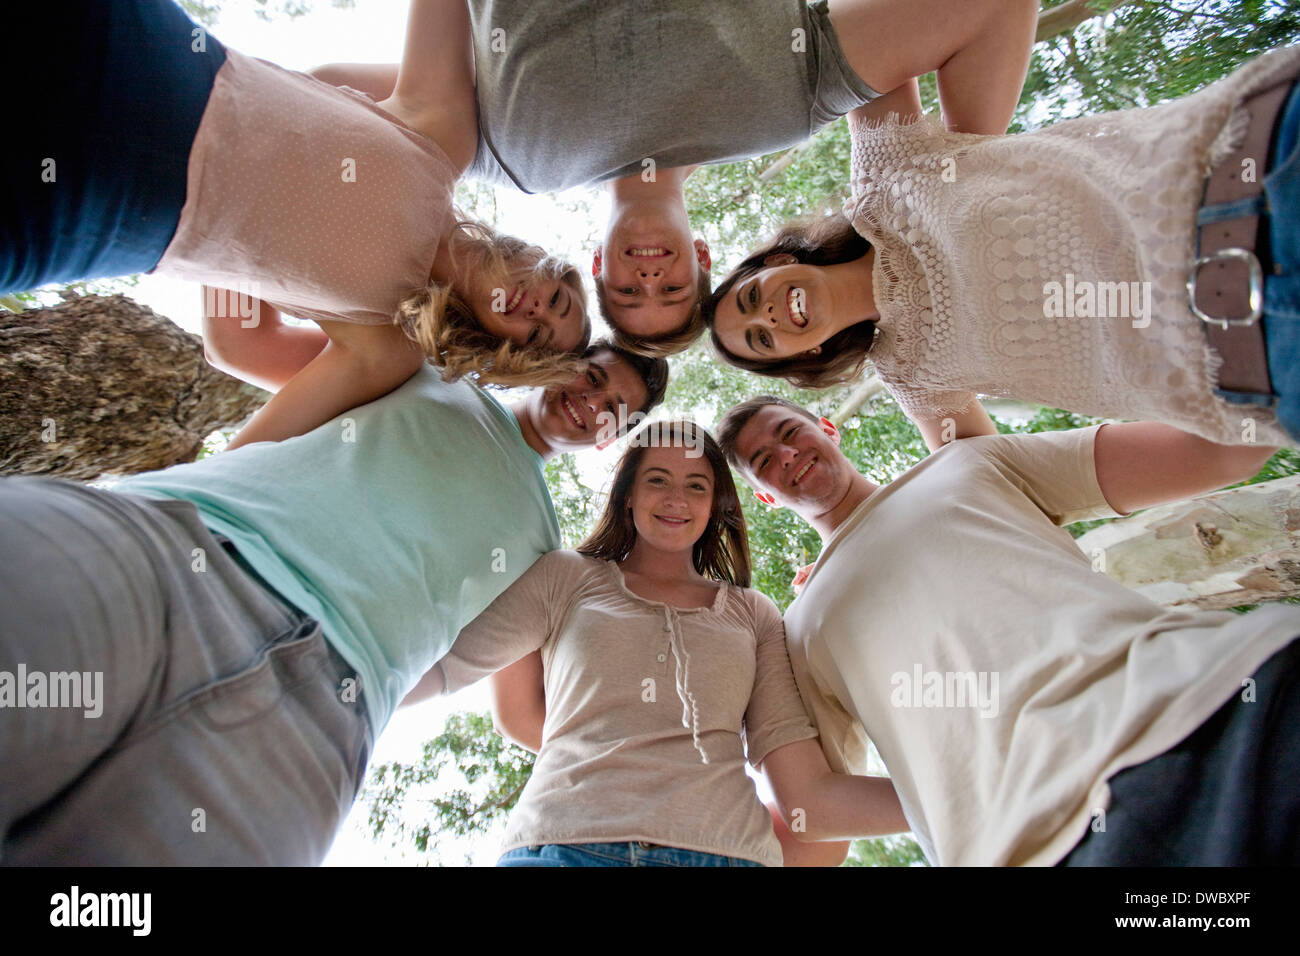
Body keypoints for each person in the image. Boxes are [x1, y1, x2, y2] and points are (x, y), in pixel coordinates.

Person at [0, 339, 667, 865]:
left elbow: (473, 681)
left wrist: (355, 699)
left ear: (611, 440)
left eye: (613, 407)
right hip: (183, 550)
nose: (591, 399)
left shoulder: (543, 548)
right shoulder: (432, 371)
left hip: (310, 718)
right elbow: (240, 338)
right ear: (565, 361)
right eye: (594, 375)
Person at [718, 395, 1300, 865]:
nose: (785, 455)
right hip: (1046, 844)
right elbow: (812, 810)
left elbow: (1214, 449)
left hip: (1222, 699)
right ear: (765, 496)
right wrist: (954, 801)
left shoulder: (968, 462)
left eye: (787, 432)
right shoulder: (794, 632)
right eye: (763, 462)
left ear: (826, 427)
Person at [313, 0, 1039, 353]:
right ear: (701, 261)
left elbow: (339, 98)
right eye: (670, 287)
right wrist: (955, 201)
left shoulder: (509, 160)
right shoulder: (794, 104)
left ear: (596, 263)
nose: (648, 274)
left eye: (628, 290)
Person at [706, 43, 1300, 450]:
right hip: (1270, 355)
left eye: (752, 297)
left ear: (778, 262)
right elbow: (994, 496)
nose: (771, 314)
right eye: (764, 338)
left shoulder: (887, 174)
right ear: (800, 356)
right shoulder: (917, 379)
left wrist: (974, 144)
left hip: (1262, 162)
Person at [3, 0, 590, 409]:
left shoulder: (385, 346)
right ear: (542, 263)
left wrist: (233, 243)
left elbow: (238, 346)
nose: (535, 311)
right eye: (557, 301)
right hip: (133, 53)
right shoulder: (444, 139)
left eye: (536, 338)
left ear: (500, 346)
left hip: (85, 217)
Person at [410, 421, 906, 866]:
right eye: (657, 480)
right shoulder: (565, 577)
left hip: (723, 853)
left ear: (715, 506)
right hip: (562, 845)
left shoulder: (753, 613)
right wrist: (345, 693)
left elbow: (804, 793)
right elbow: (446, 666)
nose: (677, 499)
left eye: (696, 485)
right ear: (627, 494)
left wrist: (965, 795)